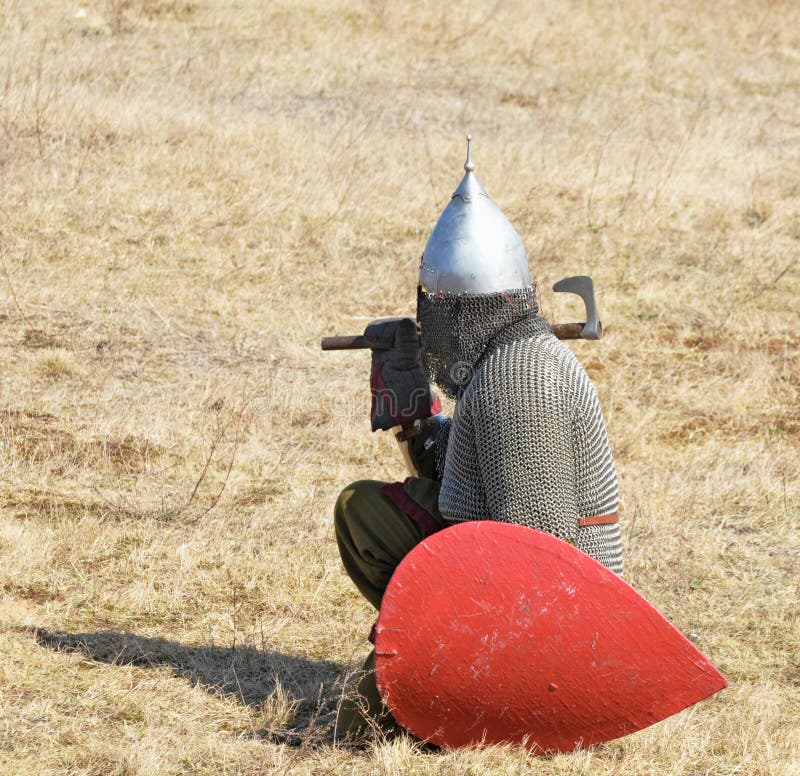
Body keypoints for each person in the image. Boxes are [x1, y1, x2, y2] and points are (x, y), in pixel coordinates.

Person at [333, 137, 623, 740]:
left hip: (552, 626)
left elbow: (537, 557)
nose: (431, 328)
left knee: (357, 724)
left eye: (437, 313)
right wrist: (415, 418)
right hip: (507, 575)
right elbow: (472, 476)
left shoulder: (520, 385)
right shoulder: (504, 364)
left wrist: (458, 655)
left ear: (462, 312)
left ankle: (478, 689)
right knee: (363, 509)